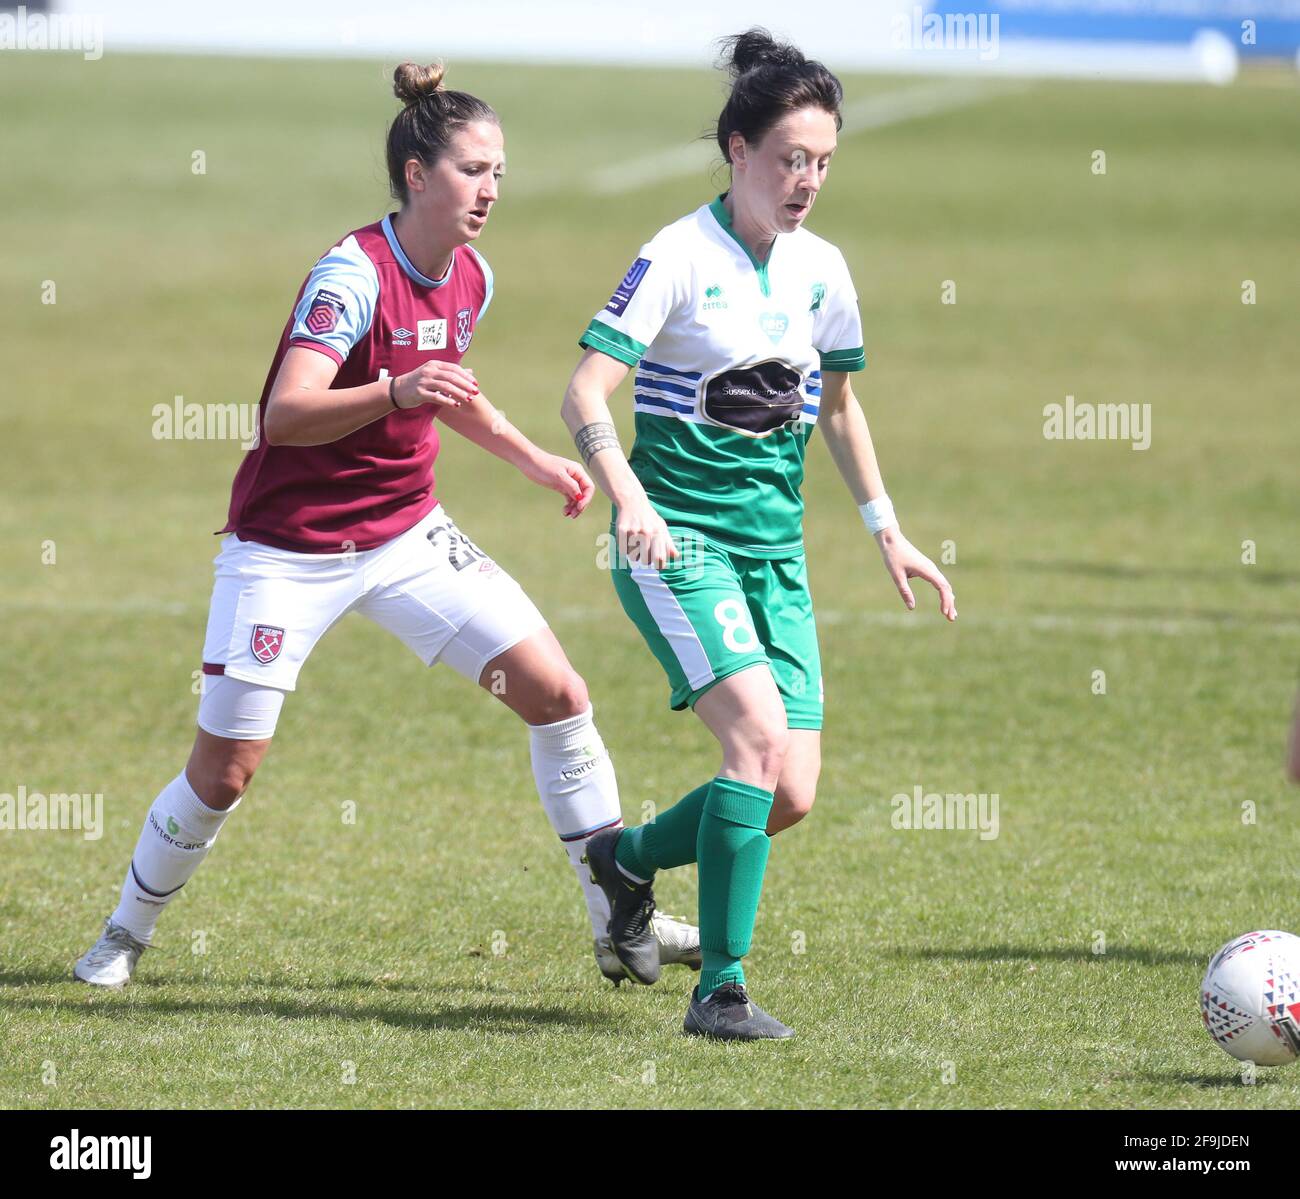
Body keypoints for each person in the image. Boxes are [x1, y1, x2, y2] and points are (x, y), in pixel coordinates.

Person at [73, 60, 698, 990]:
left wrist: (532, 458)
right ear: (417, 174)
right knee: (226, 772)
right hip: (287, 550)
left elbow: (448, 392)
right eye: (472, 170)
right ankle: (124, 933)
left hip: (408, 536)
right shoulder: (351, 273)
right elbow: (285, 414)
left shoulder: (471, 276)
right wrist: (395, 388)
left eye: (499, 173)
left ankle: (617, 917)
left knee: (559, 695)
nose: (489, 190)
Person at [562, 30, 956, 1039]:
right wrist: (629, 498)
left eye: (822, 161)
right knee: (752, 740)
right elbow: (584, 388)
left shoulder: (822, 270)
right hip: (674, 540)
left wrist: (886, 529)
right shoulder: (676, 255)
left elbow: (838, 408)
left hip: (775, 555)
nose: (806, 180)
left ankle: (628, 860)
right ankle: (719, 989)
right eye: (790, 157)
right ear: (738, 149)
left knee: (789, 791)